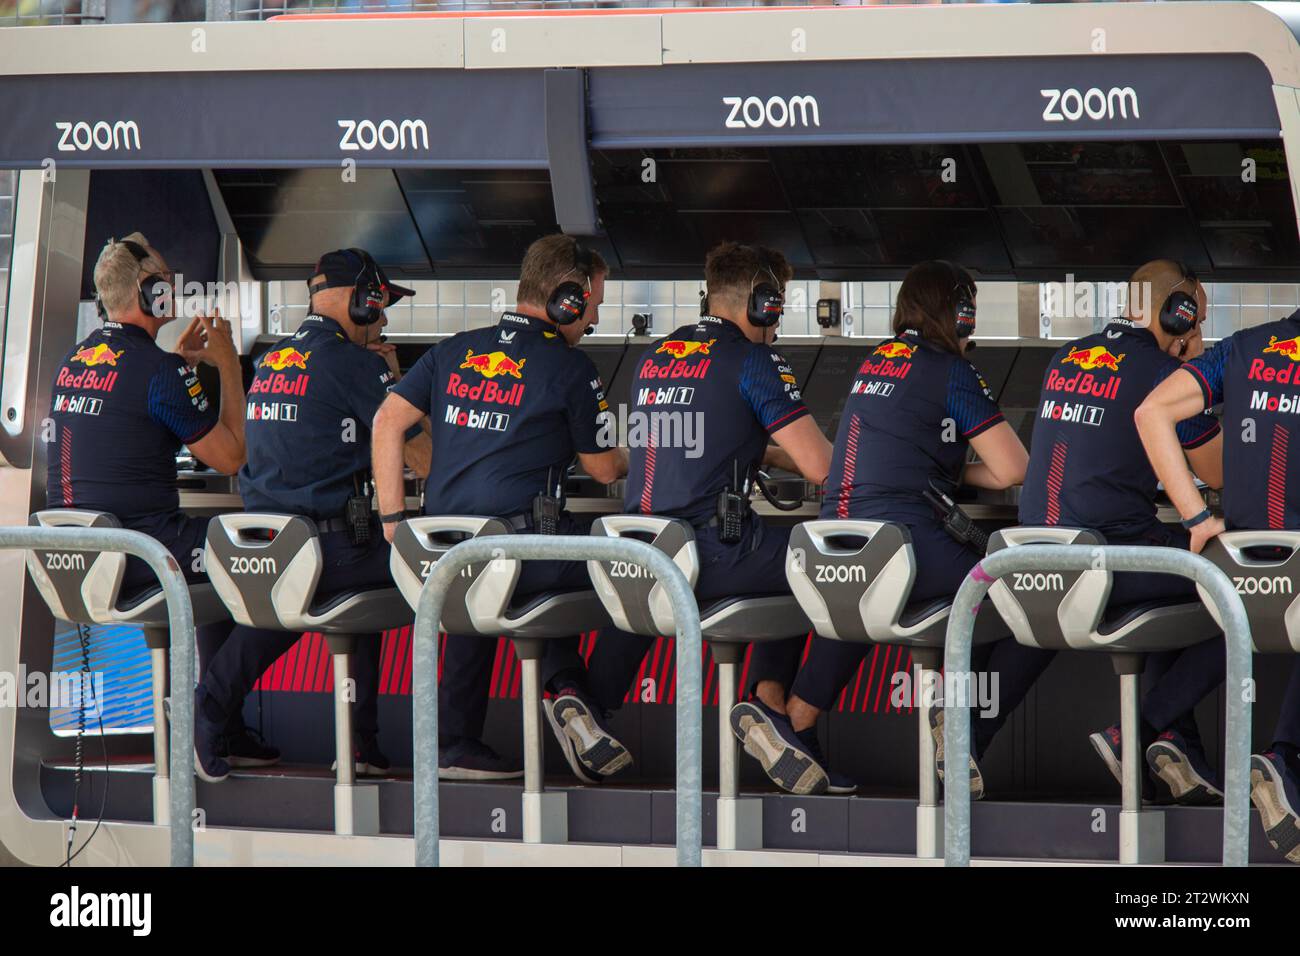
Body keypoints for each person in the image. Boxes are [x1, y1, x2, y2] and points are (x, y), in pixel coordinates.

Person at [533, 240, 835, 793]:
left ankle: (590, 703)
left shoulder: (655, 356)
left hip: (637, 555)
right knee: (816, 560)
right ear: (762, 303)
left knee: (654, 578)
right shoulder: (755, 360)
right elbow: (823, 468)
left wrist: (758, 450)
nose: (777, 320)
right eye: (779, 305)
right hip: (712, 558)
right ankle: (769, 705)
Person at [739, 260, 1030, 797]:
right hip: (904, 550)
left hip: (836, 550)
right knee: (1019, 591)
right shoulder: (951, 370)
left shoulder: (877, 359)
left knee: (859, 603)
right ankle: (960, 720)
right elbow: (1013, 470)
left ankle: (796, 718)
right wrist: (949, 471)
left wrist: (934, 467)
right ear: (960, 315)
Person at [373, 234, 627, 781]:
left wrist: (395, 523)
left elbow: (386, 421)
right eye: (593, 307)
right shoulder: (570, 366)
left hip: (444, 555)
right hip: (520, 554)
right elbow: (604, 468)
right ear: (568, 299)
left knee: (481, 577)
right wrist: (647, 455)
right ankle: (578, 694)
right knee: (633, 564)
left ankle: (455, 742)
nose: (592, 322)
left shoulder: (453, 349)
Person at [192, 248, 431, 782]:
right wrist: (401, 390)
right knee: (435, 577)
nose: (386, 317)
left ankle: (359, 741)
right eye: (383, 304)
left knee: (346, 571)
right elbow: (424, 459)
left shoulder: (273, 357)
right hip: (323, 552)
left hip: (264, 545)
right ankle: (449, 741)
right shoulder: (355, 364)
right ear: (360, 302)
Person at [44, 234, 272, 767]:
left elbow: (133, 396)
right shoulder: (159, 373)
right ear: (153, 297)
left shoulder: (75, 359)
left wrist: (176, 361)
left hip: (75, 556)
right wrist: (227, 364)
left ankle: (222, 728)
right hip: (141, 555)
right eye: (166, 282)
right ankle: (209, 715)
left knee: (219, 548)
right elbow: (233, 457)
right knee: (260, 561)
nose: (172, 289)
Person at [1019, 261, 1225, 804]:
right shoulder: (1162, 372)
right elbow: (1221, 470)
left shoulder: (1066, 355)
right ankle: (1138, 727)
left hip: (1031, 560)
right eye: (1197, 321)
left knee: (1172, 573)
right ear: (1175, 317)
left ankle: (1173, 740)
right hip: (1107, 562)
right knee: (1237, 588)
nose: (1200, 334)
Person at [1136, 289, 1300, 863]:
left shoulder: (1244, 348)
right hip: (1296, 579)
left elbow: (1150, 411)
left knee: (1234, 628)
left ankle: (1143, 726)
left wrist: (1197, 518)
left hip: (1241, 569)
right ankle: (1283, 757)